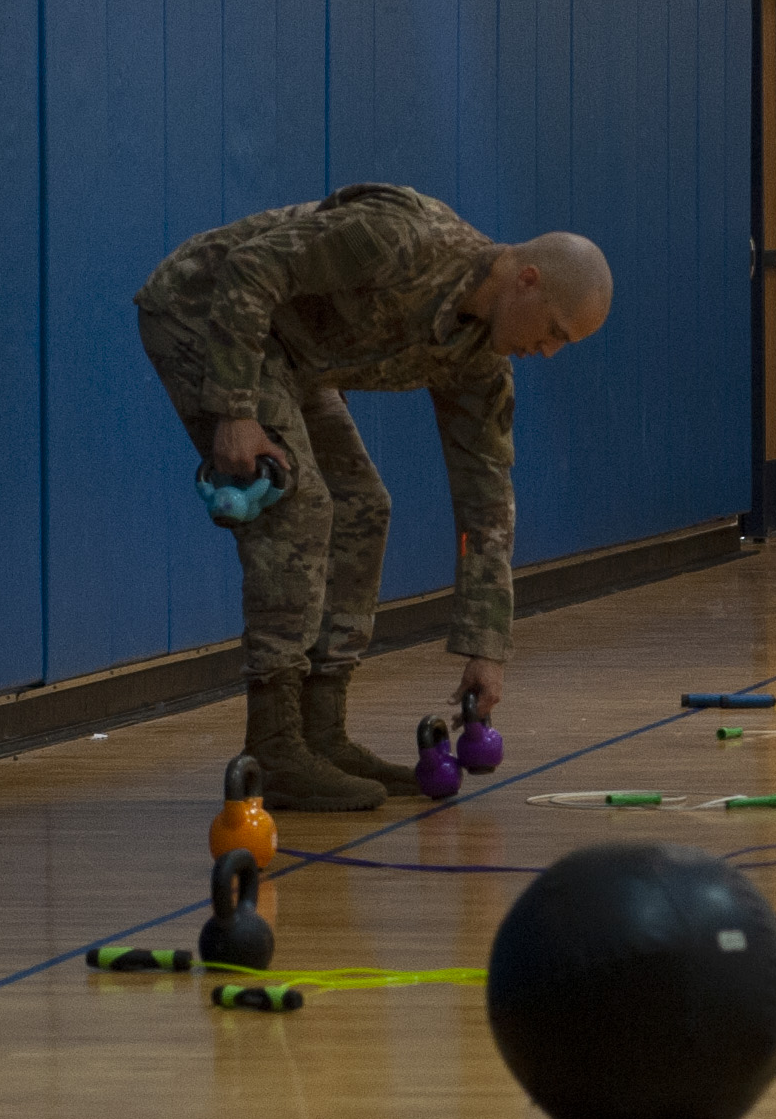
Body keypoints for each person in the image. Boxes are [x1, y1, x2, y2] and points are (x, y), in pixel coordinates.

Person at [135, 184, 612, 810]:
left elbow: (486, 502)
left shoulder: (479, 361)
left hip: (293, 355)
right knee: (299, 506)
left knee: (363, 507)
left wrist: (487, 648)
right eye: (553, 331)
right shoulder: (405, 242)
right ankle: (273, 746)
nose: (547, 350)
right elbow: (252, 267)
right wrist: (233, 409)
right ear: (526, 280)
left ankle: (321, 734)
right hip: (204, 311)